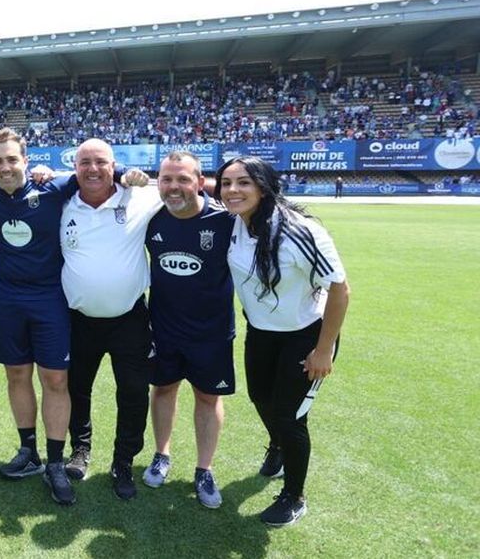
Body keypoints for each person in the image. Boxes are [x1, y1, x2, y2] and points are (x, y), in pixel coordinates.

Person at [216, 155, 350, 527]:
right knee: (260, 398)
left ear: (264, 187)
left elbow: (340, 290)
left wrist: (323, 350)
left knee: (290, 417)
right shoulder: (233, 221)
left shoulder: (299, 231)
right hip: (261, 332)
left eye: (243, 182)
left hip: (306, 336)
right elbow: (183, 191)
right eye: (226, 183)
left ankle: (294, 496)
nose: (232, 190)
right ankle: (277, 446)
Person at [0, 127, 77, 506]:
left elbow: (96, 174)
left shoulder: (52, 186)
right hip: (8, 300)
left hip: (50, 299)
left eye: (11, 159)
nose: (5, 167)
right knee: (17, 375)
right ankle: (29, 452)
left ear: (26, 159)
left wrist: (127, 176)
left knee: (55, 379)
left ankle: (56, 463)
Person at [59, 138, 158, 500]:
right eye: (84, 162)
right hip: (78, 319)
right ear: (74, 168)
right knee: (75, 388)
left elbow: (188, 190)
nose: (92, 169)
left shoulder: (140, 197)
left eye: (101, 162)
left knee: (133, 392)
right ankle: (80, 449)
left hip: (129, 319)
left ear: (113, 166)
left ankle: (123, 461)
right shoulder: (62, 203)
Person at [141, 151, 236, 509]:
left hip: (211, 332)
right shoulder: (149, 218)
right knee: (163, 389)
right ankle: (161, 454)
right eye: (167, 179)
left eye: (183, 179)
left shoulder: (226, 219)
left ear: (200, 182)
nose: (174, 186)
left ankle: (204, 469)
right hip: (163, 328)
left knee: (208, 398)